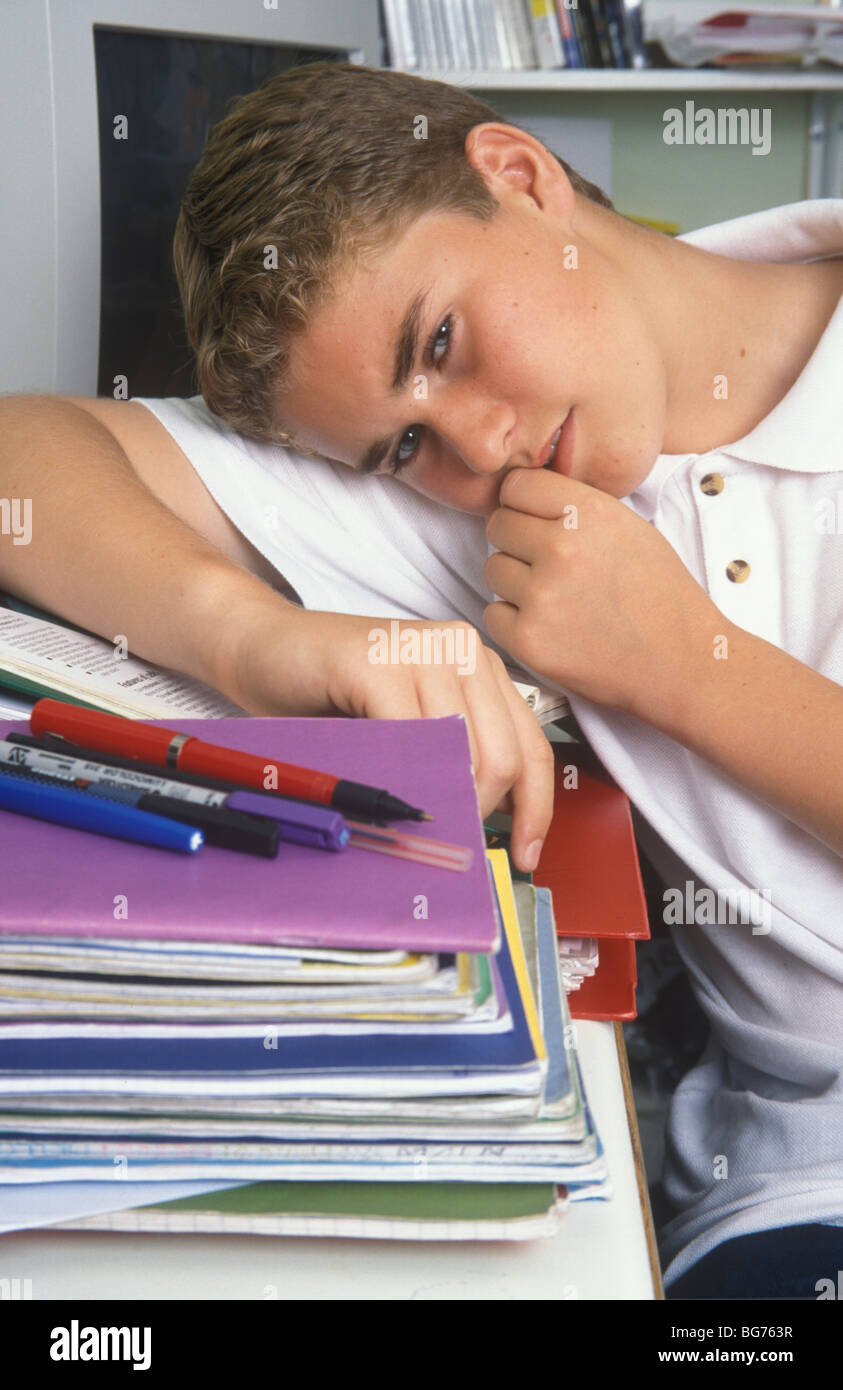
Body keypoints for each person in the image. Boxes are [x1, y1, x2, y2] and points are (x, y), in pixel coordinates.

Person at [1, 61, 840, 1297]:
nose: (475, 444)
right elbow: (23, 460)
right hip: (800, 1193)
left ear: (520, 176)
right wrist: (257, 640)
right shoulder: (479, 501)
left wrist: (682, 667)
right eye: (400, 442)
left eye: (441, 340)